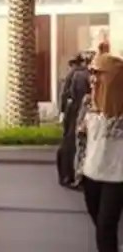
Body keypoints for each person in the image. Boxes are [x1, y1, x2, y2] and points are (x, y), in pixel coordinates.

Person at [76, 52, 123, 251]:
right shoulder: (88, 103)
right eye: (92, 72)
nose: (93, 78)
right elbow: (80, 138)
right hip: (91, 174)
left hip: (117, 177)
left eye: (99, 73)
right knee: (100, 224)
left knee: (106, 225)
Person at [60, 53, 92, 187]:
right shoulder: (84, 74)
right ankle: (74, 175)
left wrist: (62, 111)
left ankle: (67, 175)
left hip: (73, 110)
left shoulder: (75, 74)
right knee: (78, 143)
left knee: (70, 142)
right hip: (81, 110)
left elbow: (65, 95)